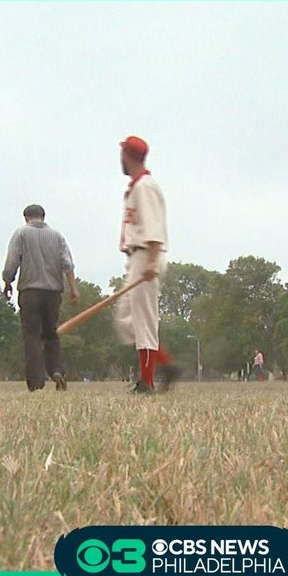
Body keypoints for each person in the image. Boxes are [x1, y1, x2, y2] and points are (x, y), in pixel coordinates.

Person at [112, 135, 181, 394]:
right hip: (137, 257)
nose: (120, 158)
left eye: (122, 153)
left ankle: (147, 382)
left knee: (144, 321)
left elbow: (153, 225)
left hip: (146, 255)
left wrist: (151, 260)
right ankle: (167, 364)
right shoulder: (136, 187)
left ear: (128, 156)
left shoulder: (145, 187)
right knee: (126, 321)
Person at [2, 204, 81, 392]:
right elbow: (68, 264)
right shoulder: (57, 236)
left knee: (31, 336)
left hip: (29, 290)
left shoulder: (21, 234)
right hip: (53, 292)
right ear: (43, 217)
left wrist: (7, 282)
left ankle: (36, 382)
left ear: (26, 218)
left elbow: (12, 262)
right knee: (51, 333)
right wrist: (73, 289)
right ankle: (57, 370)